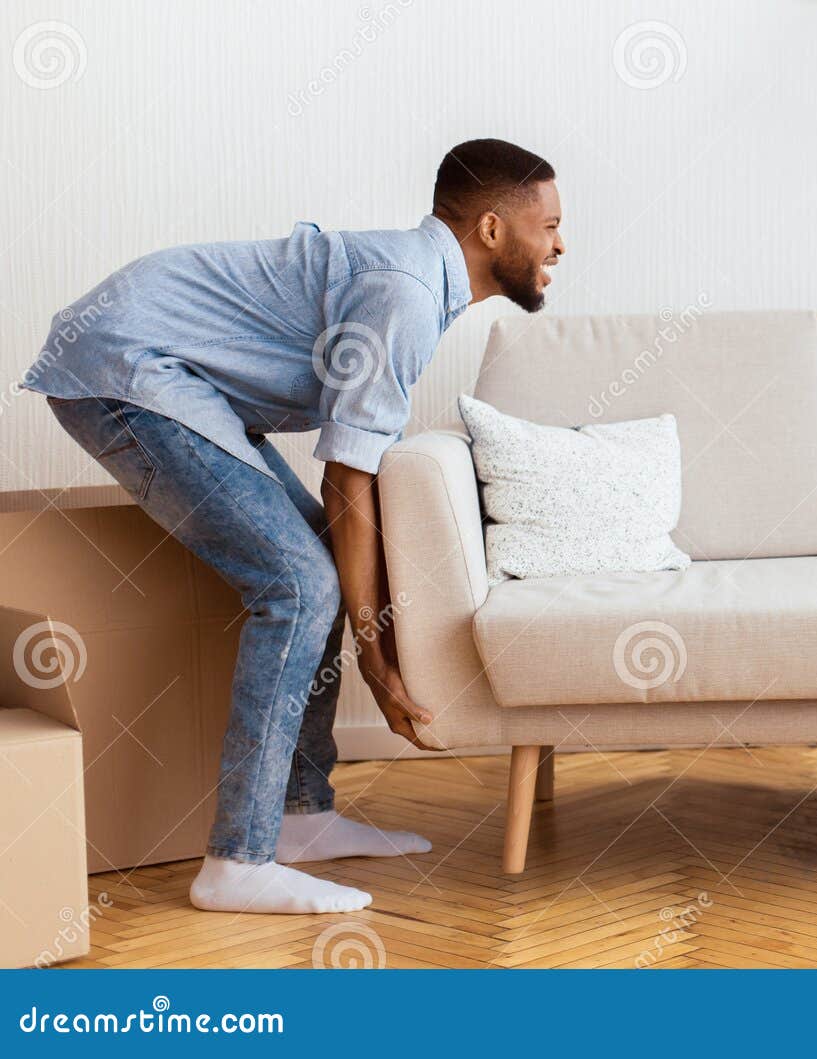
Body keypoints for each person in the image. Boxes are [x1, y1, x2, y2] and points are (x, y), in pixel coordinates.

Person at [25, 139, 564, 912]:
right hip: (126, 366)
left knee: (314, 563)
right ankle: (236, 860)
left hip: (172, 374)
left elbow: (352, 476)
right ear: (489, 229)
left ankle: (300, 817)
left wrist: (373, 638)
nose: (560, 243)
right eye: (549, 225)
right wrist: (378, 665)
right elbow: (348, 478)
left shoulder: (418, 287)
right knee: (301, 581)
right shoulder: (406, 294)